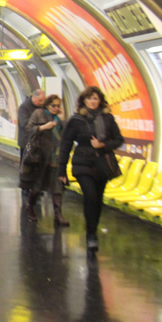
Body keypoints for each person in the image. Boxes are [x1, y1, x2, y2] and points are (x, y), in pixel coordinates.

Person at [57, 86, 124, 251]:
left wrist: (103, 145)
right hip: (82, 163)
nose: (93, 102)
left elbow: (118, 139)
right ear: (83, 101)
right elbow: (65, 145)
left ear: (100, 100)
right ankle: (91, 235)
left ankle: (92, 230)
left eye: (95, 98)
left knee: (98, 199)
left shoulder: (108, 118)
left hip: (102, 163)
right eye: (89, 99)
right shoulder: (77, 120)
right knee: (91, 196)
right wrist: (61, 170)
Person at [19, 94, 69, 226]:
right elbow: (28, 129)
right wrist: (43, 127)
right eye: (53, 105)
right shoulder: (38, 113)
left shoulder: (60, 118)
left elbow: (67, 135)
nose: (56, 108)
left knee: (57, 186)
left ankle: (58, 215)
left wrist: (63, 121)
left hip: (56, 155)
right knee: (37, 185)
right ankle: (30, 207)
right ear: (47, 105)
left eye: (58, 106)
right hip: (41, 155)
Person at [17, 89, 45, 207]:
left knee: (38, 164)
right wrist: (41, 125)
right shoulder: (24, 108)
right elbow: (24, 124)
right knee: (26, 164)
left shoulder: (42, 107)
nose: (42, 102)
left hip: (39, 141)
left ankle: (36, 187)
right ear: (34, 98)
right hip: (27, 141)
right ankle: (25, 187)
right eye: (40, 100)